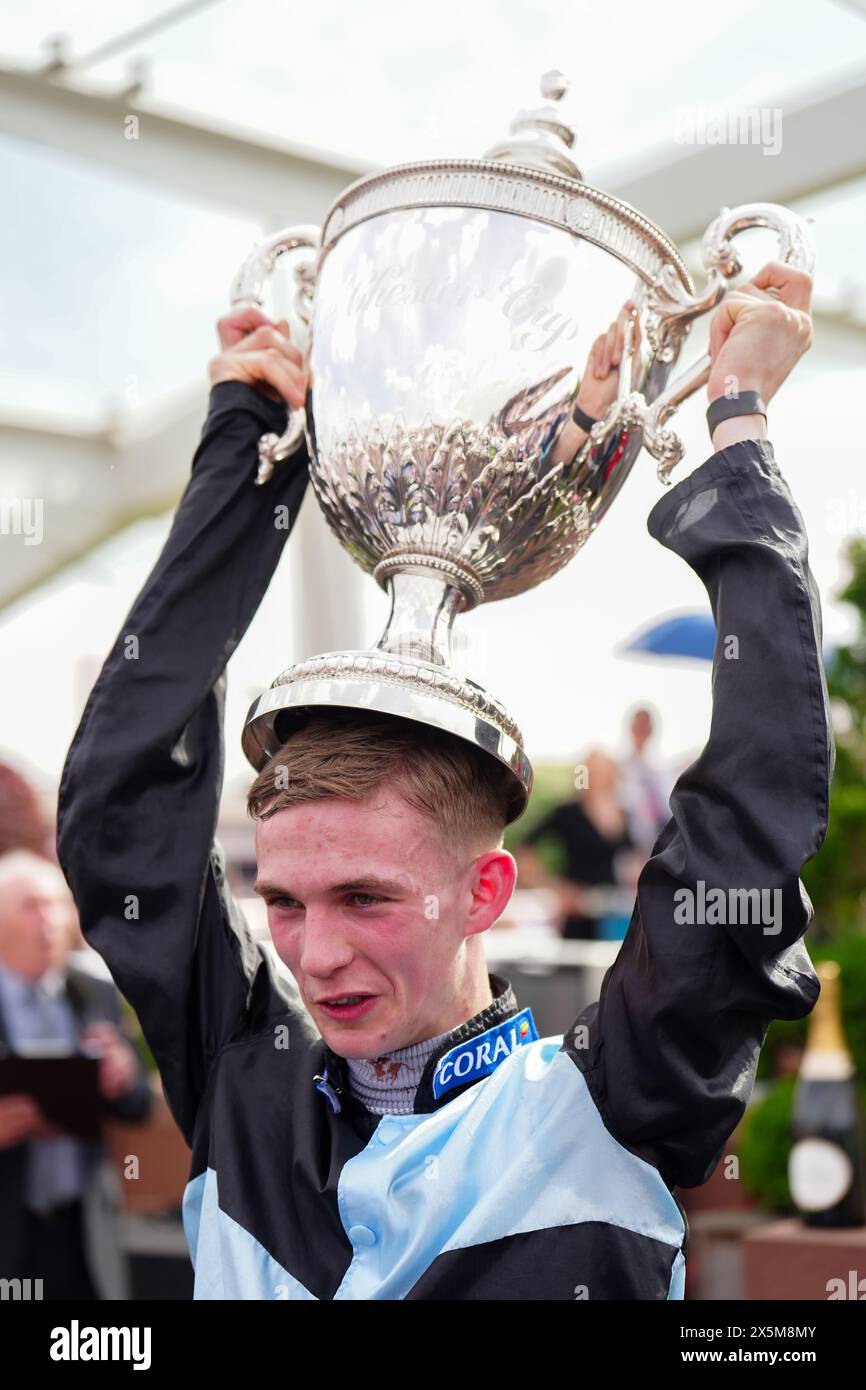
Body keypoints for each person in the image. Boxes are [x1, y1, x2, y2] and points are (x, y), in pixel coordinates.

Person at [57, 261, 831, 1300]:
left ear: (486, 892)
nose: (315, 954)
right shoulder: (247, 1077)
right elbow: (122, 812)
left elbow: (750, 813)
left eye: (364, 897)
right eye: (281, 901)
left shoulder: (605, 1105)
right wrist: (246, 456)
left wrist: (735, 423)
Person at [0, 851, 153, 1299]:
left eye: (56, 904)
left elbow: (138, 1107)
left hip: (84, 1232)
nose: (48, 919)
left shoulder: (92, 992)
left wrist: (123, 1078)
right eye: (31, 906)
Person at [514, 748, 640, 939]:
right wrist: (551, 886)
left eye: (604, 771)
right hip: (576, 911)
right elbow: (525, 848)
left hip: (611, 910)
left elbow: (633, 859)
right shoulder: (568, 812)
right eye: (594, 771)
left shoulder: (623, 814)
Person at [619, 705, 674, 854]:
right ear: (631, 728)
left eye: (646, 727)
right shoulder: (618, 767)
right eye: (639, 727)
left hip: (660, 844)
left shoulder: (661, 770)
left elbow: (666, 810)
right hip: (629, 846)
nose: (642, 732)